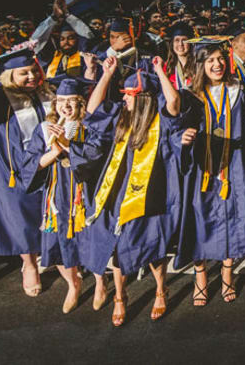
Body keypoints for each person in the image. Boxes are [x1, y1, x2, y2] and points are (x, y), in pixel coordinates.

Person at [73, 56, 186, 326]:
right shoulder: (118, 116)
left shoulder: (159, 119)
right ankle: (120, 297)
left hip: (149, 193)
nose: (124, 99)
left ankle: (161, 288)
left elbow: (173, 102)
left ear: (144, 97)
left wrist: (159, 71)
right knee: (116, 246)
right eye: (123, 94)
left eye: (129, 95)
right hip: (115, 190)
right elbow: (92, 108)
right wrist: (108, 74)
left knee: (151, 245)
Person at [0, 45, 67, 298]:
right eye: (24, 73)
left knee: (51, 210)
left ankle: (55, 255)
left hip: (47, 163)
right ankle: (28, 264)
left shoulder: (48, 90)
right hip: (12, 169)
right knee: (20, 219)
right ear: (9, 76)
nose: (32, 77)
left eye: (34, 71)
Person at [176, 39, 245, 307]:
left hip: (233, 164)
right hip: (201, 169)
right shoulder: (190, 95)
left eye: (220, 58)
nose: (217, 64)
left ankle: (226, 273)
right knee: (199, 217)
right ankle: (200, 276)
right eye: (210, 60)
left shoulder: (237, 91)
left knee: (233, 217)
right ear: (201, 64)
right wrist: (182, 137)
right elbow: (176, 125)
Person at [19, 77, 95, 314]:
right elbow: (32, 165)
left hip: (85, 193)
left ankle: (101, 285)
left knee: (93, 242)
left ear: (81, 103)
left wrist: (69, 146)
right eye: (61, 100)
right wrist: (54, 151)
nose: (66, 106)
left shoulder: (90, 127)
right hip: (57, 194)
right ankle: (73, 284)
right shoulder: (44, 129)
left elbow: (96, 159)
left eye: (72, 100)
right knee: (58, 243)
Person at [162, 22, 195, 90]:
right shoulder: (167, 67)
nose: (180, 44)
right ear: (172, 44)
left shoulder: (197, 65)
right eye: (177, 40)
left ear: (190, 43)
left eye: (184, 40)